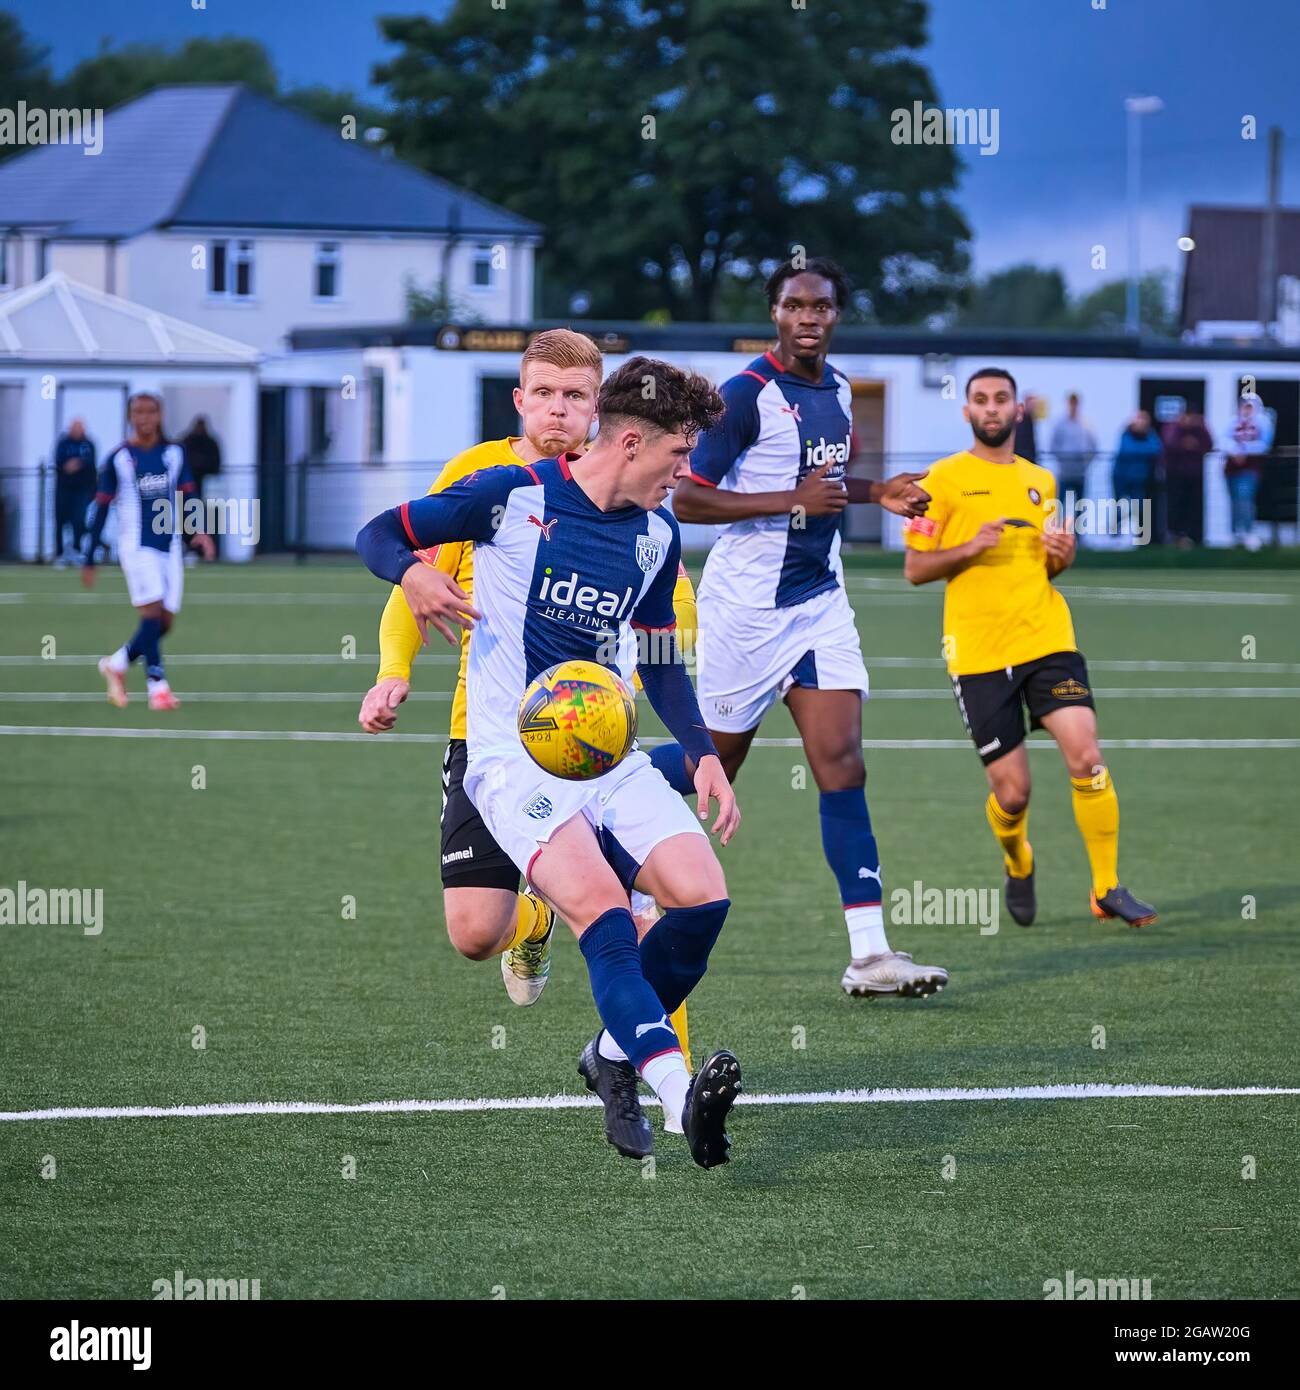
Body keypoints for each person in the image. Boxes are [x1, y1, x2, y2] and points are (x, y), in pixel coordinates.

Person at [357, 358, 743, 1169]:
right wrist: (417, 572)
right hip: (509, 761)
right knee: (602, 911)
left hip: (609, 756)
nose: (685, 474)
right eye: (679, 456)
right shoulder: (512, 495)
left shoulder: (657, 535)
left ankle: (610, 1051)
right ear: (632, 441)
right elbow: (379, 534)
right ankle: (678, 1099)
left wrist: (703, 755)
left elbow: (664, 662)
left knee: (702, 899)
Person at [672, 256, 950, 999]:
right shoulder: (744, 395)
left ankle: (870, 955)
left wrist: (875, 491)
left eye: (821, 306)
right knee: (715, 767)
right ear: (774, 314)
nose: (808, 317)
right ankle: (596, 810)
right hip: (746, 613)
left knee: (843, 760)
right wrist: (786, 500)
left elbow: (820, 488)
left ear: (836, 314)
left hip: (820, 602)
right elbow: (689, 500)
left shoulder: (836, 387)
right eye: (794, 305)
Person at [903, 367, 1157, 929]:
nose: (991, 409)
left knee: (1087, 757)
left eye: (1001, 399)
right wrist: (971, 546)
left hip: (1048, 640)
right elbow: (915, 568)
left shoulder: (1040, 480)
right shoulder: (938, 481)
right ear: (966, 411)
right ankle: (1018, 860)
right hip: (978, 653)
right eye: (980, 400)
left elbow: (1050, 567)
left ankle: (1107, 886)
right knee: (1013, 793)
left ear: (1019, 410)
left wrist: (1062, 553)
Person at [82, 393, 214, 710]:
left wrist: (199, 530)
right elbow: (101, 506)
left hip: (168, 546)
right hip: (136, 547)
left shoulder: (173, 453)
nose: (144, 418)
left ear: (160, 415)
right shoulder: (119, 458)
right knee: (152, 612)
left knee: (164, 622)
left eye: (150, 411)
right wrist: (89, 556)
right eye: (138, 412)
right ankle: (158, 687)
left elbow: (187, 492)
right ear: (130, 417)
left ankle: (117, 664)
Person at [1223, 394, 1273, 551]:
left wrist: (1244, 450)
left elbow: (1265, 444)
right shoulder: (1232, 421)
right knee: (1234, 500)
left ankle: (1249, 532)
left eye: (1249, 406)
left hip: (1250, 466)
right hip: (1232, 467)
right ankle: (1234, 533)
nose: (1246, 409)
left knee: (1245, 498)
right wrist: (1234, 450)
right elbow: (1223, 439)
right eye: (1244, 405)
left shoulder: (1263, 422)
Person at [1159, 411, 1212, 547]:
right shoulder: (1172, 428)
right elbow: (1170, 444)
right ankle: (1174, 535)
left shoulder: (1199, 429)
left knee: (1194, 507)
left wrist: (1201, 427)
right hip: (1175, 475)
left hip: (1195, 475)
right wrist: (1179, 430)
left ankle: (1193, 537)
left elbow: (1208, 444)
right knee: (1175, 506)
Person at [1111, 410, 1162, 543]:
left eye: (1143, 421)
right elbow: (1127, 449)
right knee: (1119, 509)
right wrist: (1143, 451)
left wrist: (1139, 450)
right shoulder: (1126, 434)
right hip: (1121, 479)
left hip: (1139, 481)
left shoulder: (1150, 435)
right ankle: (1115, 537)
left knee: (1139, 509)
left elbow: (1156, 449)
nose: (1140, 424)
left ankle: (1138, 539)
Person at [53, 419, 96, 567]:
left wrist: (79, 464)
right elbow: (58, 462)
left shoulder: (89, 444)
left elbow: (91, 464)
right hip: (64, 489)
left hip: (82, 490)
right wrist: (68, 466)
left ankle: (77, 550)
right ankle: (60, 554)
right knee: (60, 521)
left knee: (79, 520)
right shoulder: (63, 443)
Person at [1047, 392, 1096, 504]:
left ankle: (1078, 522)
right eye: (1071, 402)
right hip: (1064, 474)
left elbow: (1093, 446)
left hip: (1081, 474)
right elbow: (1052, 445)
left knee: (1080, 506)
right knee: (1060, 505)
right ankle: (1060, 522)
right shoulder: (1059, 424)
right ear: (1067, 403)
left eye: (1075, 403)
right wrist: (1062, 461)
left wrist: (1086, 464)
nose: (1073, 405)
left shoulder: (1087, 424)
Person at [1013, 392, 1040, 464]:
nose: (1034, 406)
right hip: (1024, 460)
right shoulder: (1021, 421)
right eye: (1032, 403)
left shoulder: (1031, 419)